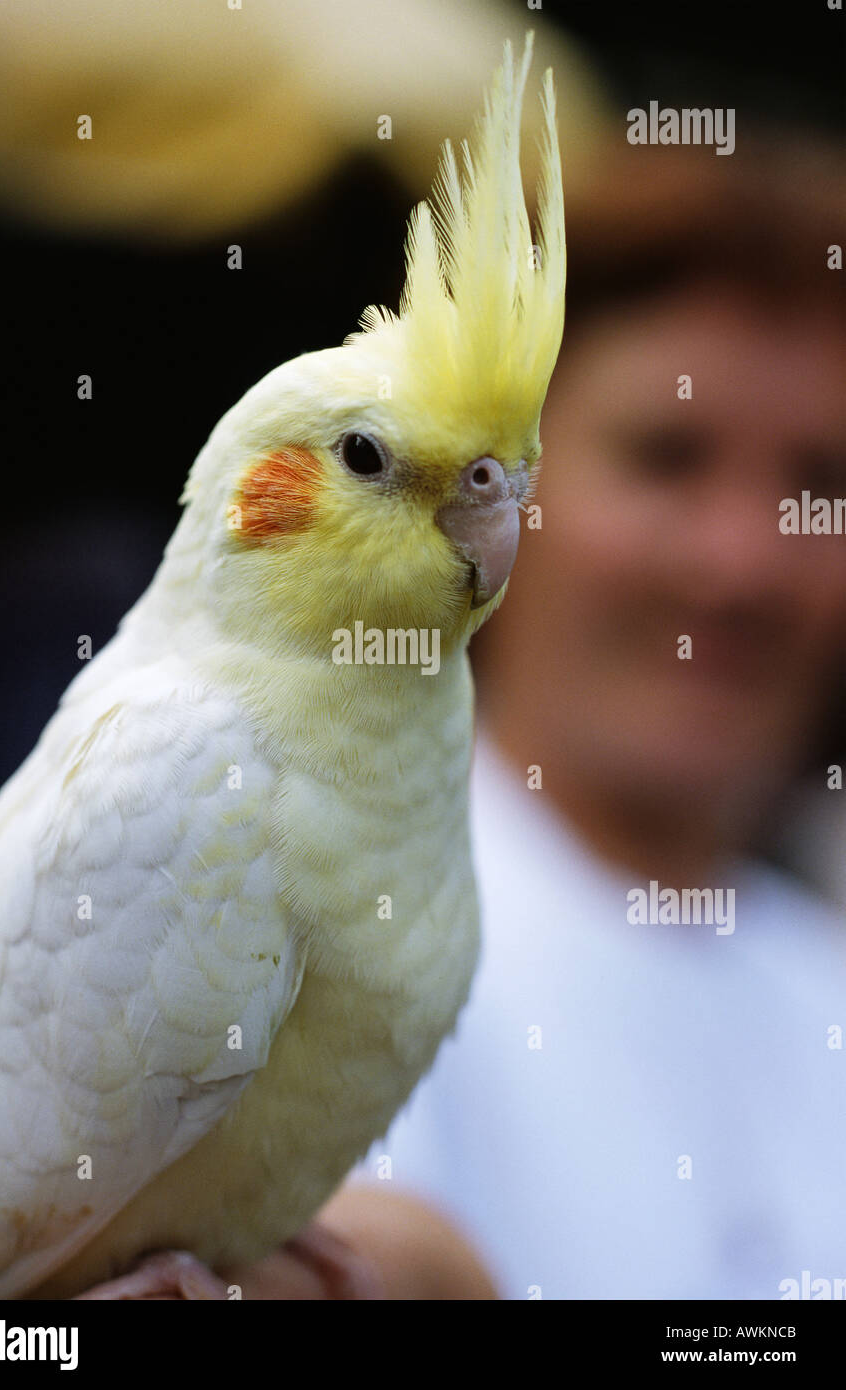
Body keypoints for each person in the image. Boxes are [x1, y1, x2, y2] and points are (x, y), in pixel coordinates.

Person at [338, 140, 846, 1299]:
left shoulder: (820, 984)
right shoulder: (299, 936)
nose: (744, 562)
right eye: (666, 459)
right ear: (477, 495)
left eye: (819, 483)